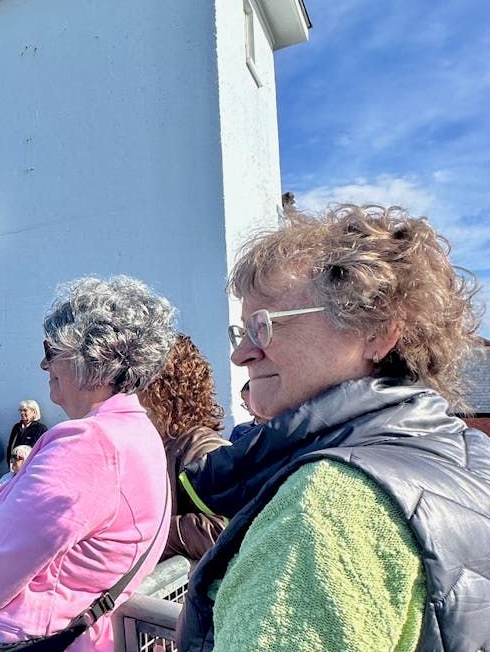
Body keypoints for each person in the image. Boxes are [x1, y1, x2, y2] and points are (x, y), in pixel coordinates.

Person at [177, 205, 490, 651]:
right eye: (241, 331)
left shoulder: (330, 505)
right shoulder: (464, 451)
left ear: (377, 332)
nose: (241, 354)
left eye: (264, 326)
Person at [0, 275, 174, 651]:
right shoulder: (139, 433)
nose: (42, 363)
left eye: (51, 350)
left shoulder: (91, 444)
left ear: (93, 356)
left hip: (20, 637)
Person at [137, 333, 228, 561]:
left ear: (162, 387)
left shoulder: (203, 445)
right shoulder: (154, 440)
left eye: (135, 380)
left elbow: (226, 528)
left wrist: (144, 532)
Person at [227, 379, 263, 443]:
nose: (246, 403)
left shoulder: (280, 427)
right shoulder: (240, 430)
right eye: (244, 400)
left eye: (249, 400)